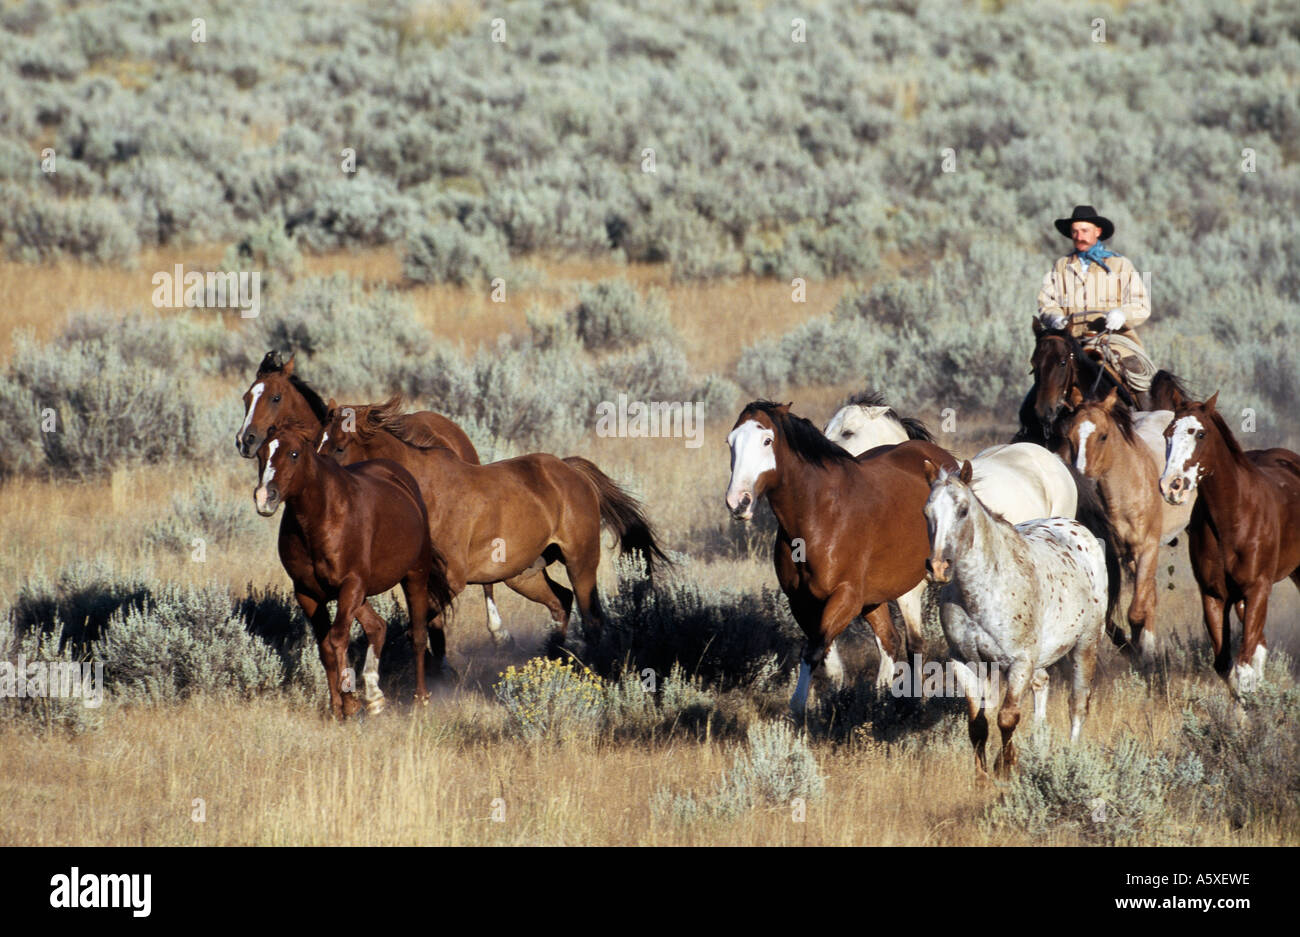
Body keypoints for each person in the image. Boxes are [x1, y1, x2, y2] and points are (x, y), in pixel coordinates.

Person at [1037, 205, 1156, 409]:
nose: (1078, 236)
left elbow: (1141, 303)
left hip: (1112, 338)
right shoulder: (1061, 265)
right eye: (1074, 231)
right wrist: (1055, 317)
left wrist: (1122, 314)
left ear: (1097, 232)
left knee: (1137, 375)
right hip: (1071, 339)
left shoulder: (1120, 264)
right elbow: (1047, 302)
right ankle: (1032, 427)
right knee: (1046, 373)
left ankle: (1150, 419)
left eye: (1084, 231)